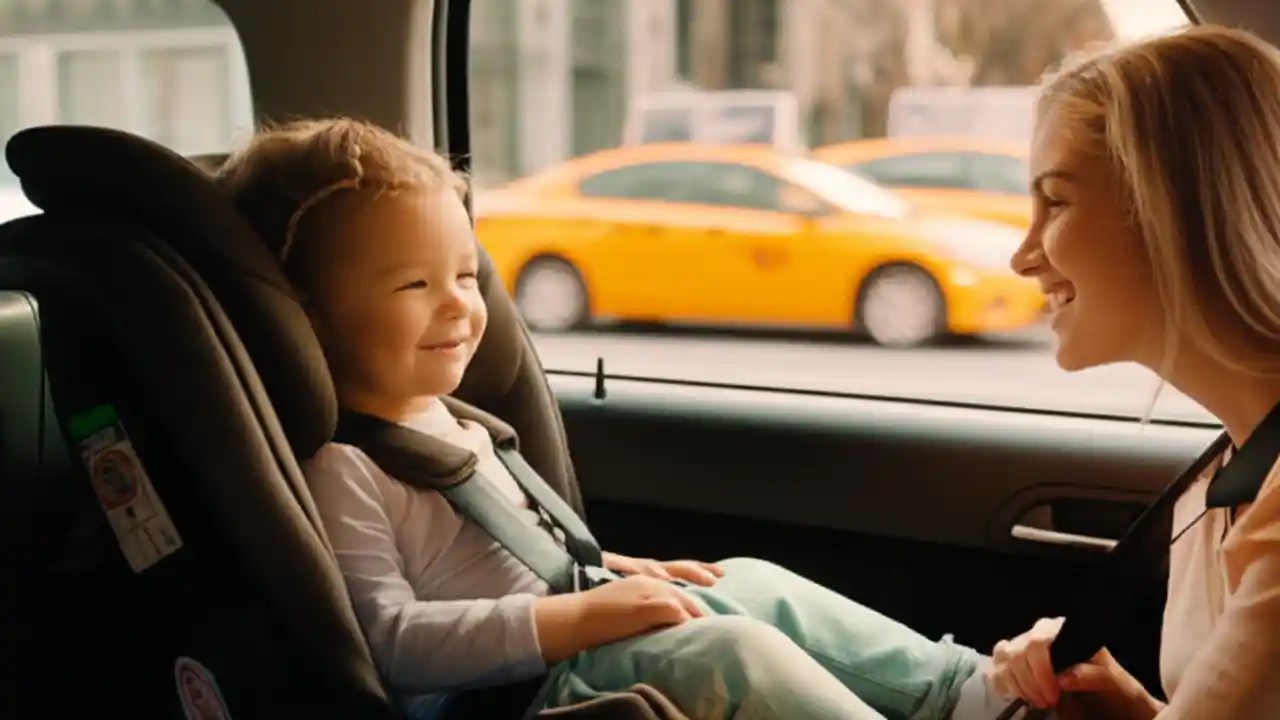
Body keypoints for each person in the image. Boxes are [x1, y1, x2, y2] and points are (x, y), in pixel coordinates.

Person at [215, 118, 1027, 720]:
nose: (461, 305)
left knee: (749, 582)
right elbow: (392, 643)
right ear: (307, 320)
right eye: (413, 286)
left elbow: (517, 548)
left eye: (466, 274)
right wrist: (577, 615)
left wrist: (622, 569)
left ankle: (966, 692)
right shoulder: (344, 469)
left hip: (574, 635)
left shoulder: (457, 423)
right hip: (513, 695)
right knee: (727, 654)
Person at [992, 23, 1280, 720]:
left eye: (1055, 202)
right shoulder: (1225, 477)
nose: (1023, 256)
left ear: (1175, 208)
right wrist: (1140, 710)